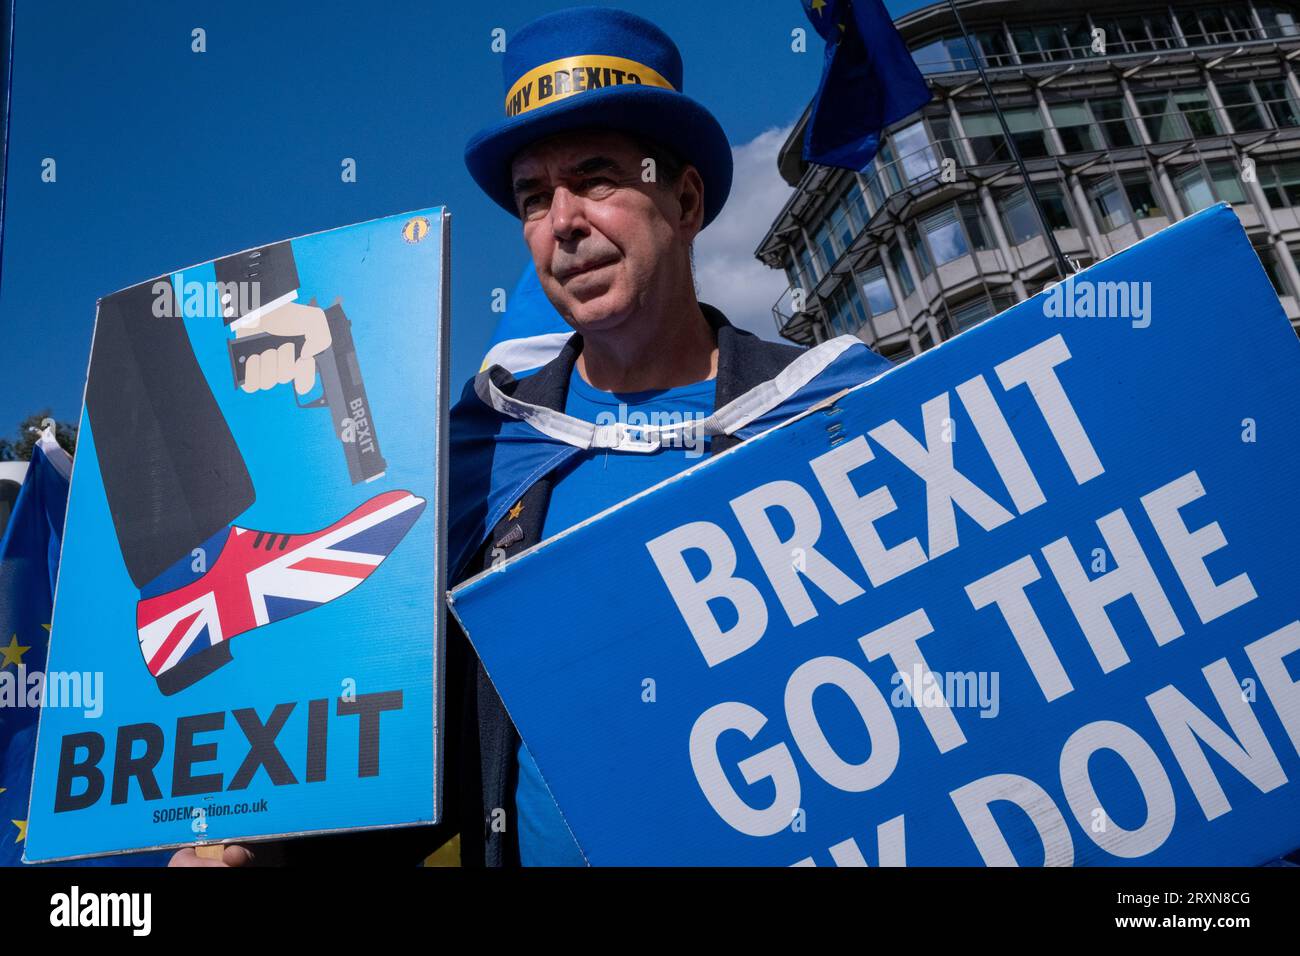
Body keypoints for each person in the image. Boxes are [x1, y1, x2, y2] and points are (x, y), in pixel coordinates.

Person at [172, 4, 889, 867]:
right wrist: (270, 852)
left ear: (687, 197)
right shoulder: (476, 456)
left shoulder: (834, 411)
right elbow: (411, 756)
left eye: (596, 179)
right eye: (534, 198)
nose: (564, 222)